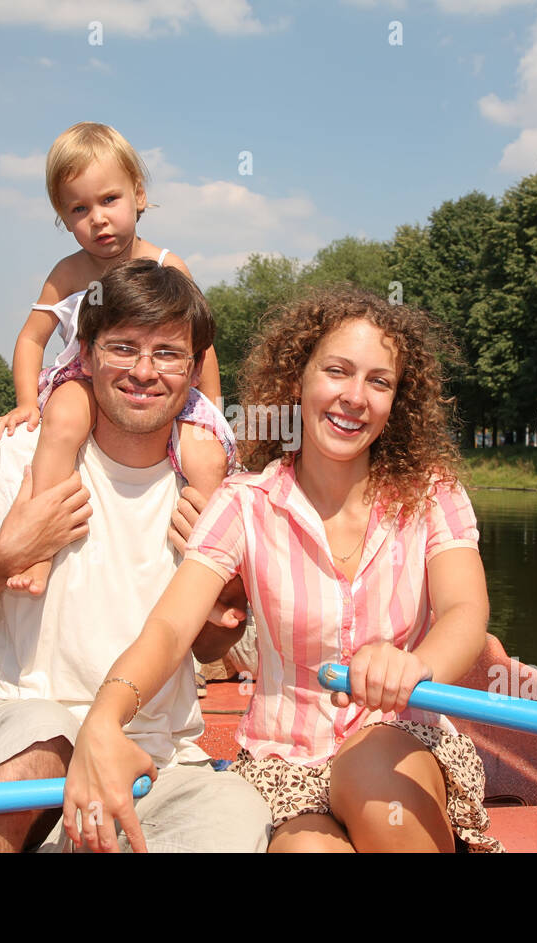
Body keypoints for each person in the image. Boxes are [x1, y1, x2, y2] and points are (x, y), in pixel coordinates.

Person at [62, 286, 504, 853]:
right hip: (284, 763)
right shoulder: (243, 503)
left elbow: (466, 612)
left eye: (379, 382)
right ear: (299, 380)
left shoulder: (431, 494)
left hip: (394, 738)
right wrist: (105, 716)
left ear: (398, 401)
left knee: (370, 776)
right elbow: (170, 630)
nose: (355, 397)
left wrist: (415, 665)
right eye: (337, 372)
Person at [0, 259, 271, 853]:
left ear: (194, 367)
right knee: (42, 745)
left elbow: (207, 649)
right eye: (123, 347)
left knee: (237, 814)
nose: (144, 372)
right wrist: (5, 555)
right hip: (19, 721)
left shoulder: (219, 489)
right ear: (87, 353)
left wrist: (227, 596)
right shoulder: (13, 459)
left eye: (169, 354)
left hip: (159, 753)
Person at [0, 121, 233, 597]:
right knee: (62, 422)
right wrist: (25, 403)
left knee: (206, 458)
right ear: (63, 216)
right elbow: (31, 339)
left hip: (161, 382)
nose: (97, 218)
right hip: (85, 374)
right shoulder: (68, 272)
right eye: (79, 208)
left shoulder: (166, 266)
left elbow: (200, 345)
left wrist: (212, 409)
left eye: (109, 200)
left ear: (139, 196)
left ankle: (213, 571)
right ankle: (38, 549)